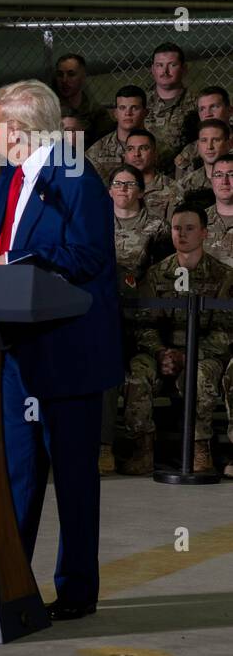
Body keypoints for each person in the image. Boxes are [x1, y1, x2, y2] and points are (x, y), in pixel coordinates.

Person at [0, 79, 121, 621]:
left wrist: (17, 262)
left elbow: (87, 254)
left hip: (68, 353)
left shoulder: (75, 175)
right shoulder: (11, 178)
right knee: (17, 474)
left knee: (73, 480)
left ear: (21, 129)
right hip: (14, 351)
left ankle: (76, 593)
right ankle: (11, 580)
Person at [120, 204, 233, 476]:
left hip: (205, 354)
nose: (181, 234)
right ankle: (142, 448)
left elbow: (225, 331)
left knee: (201, 375)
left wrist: (189, 355)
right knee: (138, 371)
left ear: (205, 233)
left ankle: (199, 448)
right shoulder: (157, 274)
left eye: (190, 228)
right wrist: (160, 352)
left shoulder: (223, 276)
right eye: (176, 228)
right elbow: (144, 323)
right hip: (164, 353)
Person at [105, 164, 168, 474]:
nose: (124, 189)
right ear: (109, 190)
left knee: (137, 377)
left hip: (143, 319)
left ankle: (140, 448)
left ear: (141, 191)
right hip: (106, 316)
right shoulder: (96, 225)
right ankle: (101, 448)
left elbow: (161, 275)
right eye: (118, 183)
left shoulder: (157, 228)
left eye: (130, 184)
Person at [144, 42, 196, 166]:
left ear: (184, 69)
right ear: (152, 69)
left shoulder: (198, 104)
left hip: (183, 172)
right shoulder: (140, 103)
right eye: (160, 65)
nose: (165, 71)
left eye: (172, 65)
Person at [84, 85, 147, 182]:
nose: (128, 113)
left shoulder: (159, 149)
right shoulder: (96, 152)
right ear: (115, 113)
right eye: (122, 108)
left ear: (145, 113)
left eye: (134, 108)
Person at [52, 53, 114, 143]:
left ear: (83, 77)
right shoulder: (50, 111)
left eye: (71, 74)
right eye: (60, 75)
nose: (64, 80)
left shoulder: (95, 112)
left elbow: (106, 144)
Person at [124, 128, 178, 223]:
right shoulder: (116, 188)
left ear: (155, 154)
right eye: (130, 149)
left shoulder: (173, 190)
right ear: (125, 155)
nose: (136, 154)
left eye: (143, 148)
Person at [172, 86, 228, 177]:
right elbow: (180, 187)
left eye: (214, 107)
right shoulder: (189, 152)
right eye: (202, 109)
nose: (207, 114)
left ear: (230, 110)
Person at [175, 119, 231, 200]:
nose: (209, 146)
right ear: (198, 145)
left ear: (228, 144)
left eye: (216, 140)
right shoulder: (185, 185)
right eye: (204, 140)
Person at [204, 154, 233, 264]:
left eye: (231, 174)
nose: (224, 181)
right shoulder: (196, 222)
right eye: (218, 175)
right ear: (212, 181)